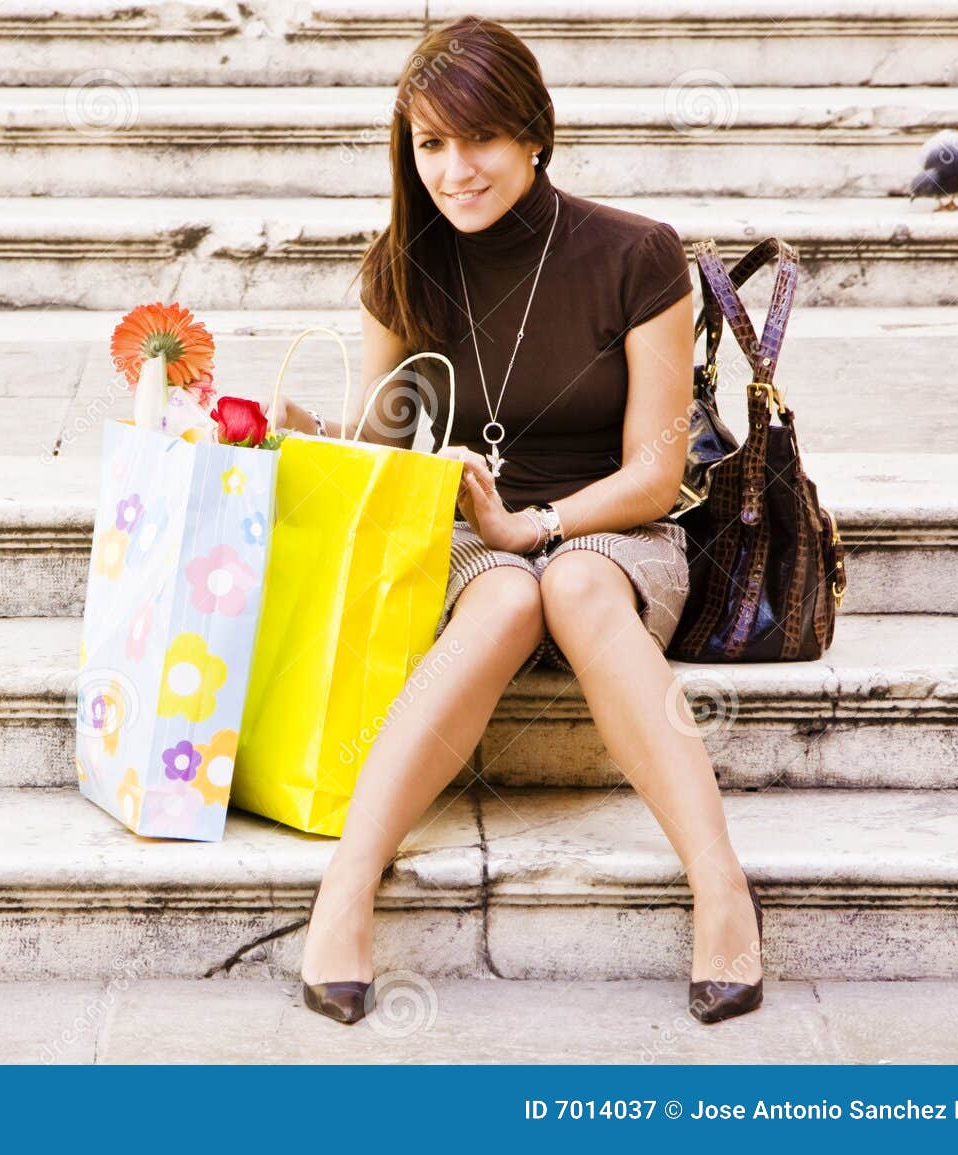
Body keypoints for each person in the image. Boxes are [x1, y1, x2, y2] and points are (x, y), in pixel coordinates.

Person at [271, 15, 764, 1026]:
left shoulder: (637, 255)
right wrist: (295, 430)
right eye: (430, 144)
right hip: (461, 533)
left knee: (574, 584)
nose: (455, 170)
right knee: (498, 604)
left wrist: (533, 524)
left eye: (480, 139)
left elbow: (654, 470)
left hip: (615, 529)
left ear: (535, 134)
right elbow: (380, 445)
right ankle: (347, 888)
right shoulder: (398, 265)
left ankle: (720, 890)